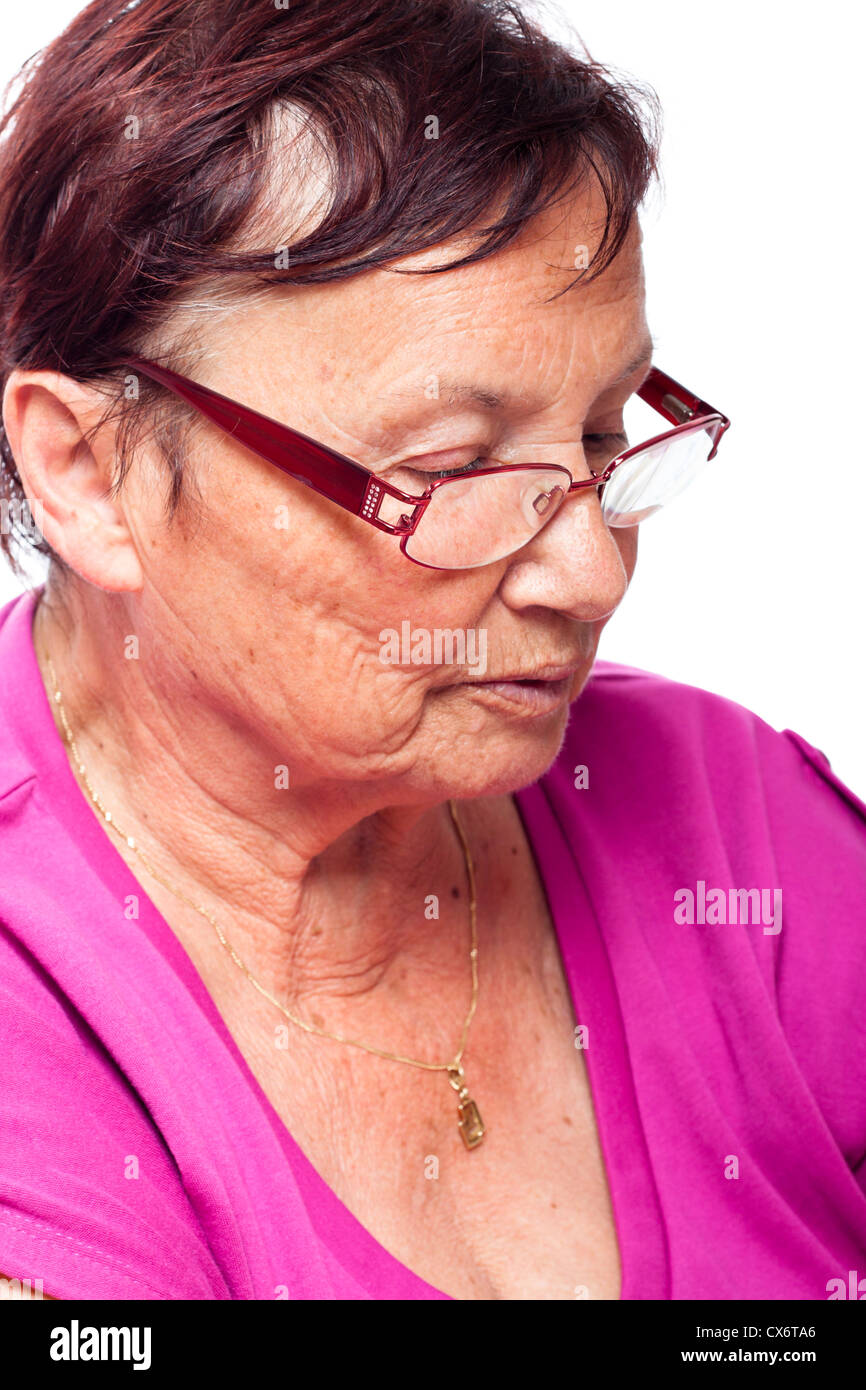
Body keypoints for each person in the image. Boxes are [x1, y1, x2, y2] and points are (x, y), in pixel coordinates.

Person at [1, 0, 864, 1301]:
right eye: (451, 470)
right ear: (85, 470)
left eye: (594, 437)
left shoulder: (729, 822)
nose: (589, 575)